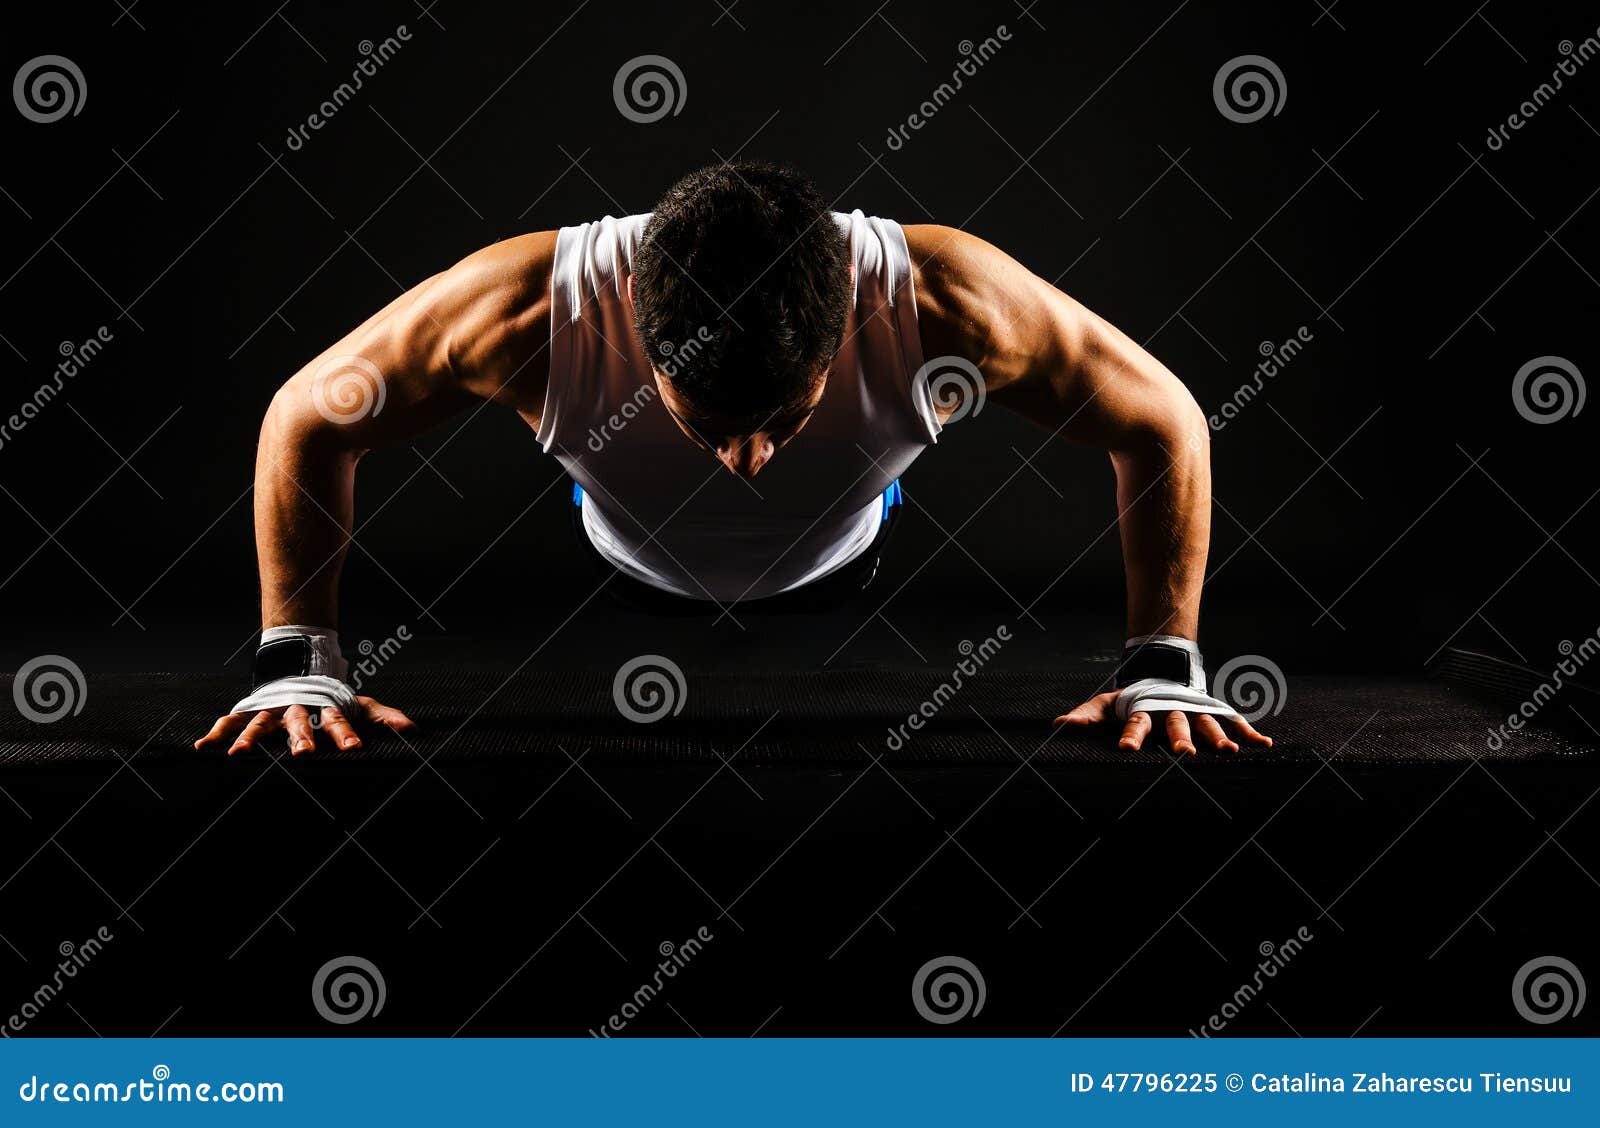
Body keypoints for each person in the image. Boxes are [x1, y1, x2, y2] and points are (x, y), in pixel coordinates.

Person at [194, 163, 1272, 758]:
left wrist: (1161, 663)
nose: (747, 464)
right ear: (632, 328)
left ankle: (835, 463)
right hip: (625, 553)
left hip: (846, 548)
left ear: (847, 328)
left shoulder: (941, 296)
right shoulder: (532, 306)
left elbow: (1165, 419)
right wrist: (299, 655)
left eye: (784, 422)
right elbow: (307, 416)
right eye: (711, 426)